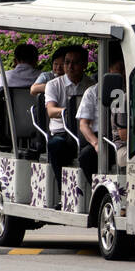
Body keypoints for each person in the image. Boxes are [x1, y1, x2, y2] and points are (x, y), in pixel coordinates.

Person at [45, 46, 93, 186]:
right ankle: (62, 191)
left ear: (85, 64)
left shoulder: (91, 85)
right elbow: (51, 111)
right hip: (62, 132)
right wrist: (69, 111)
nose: (70, 67)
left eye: (75, 63)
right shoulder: (53, 85)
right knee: (55, 145)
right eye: (67, 62)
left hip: (86, 133)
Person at [77, 57, 127, 179]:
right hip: (101, 136)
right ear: (109, 71)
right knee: (86, 155)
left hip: (125, 138)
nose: (123, 74)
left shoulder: (134, 88)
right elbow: (83, 124)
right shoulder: (93, 92)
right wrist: (96, 143)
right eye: (119, 70)